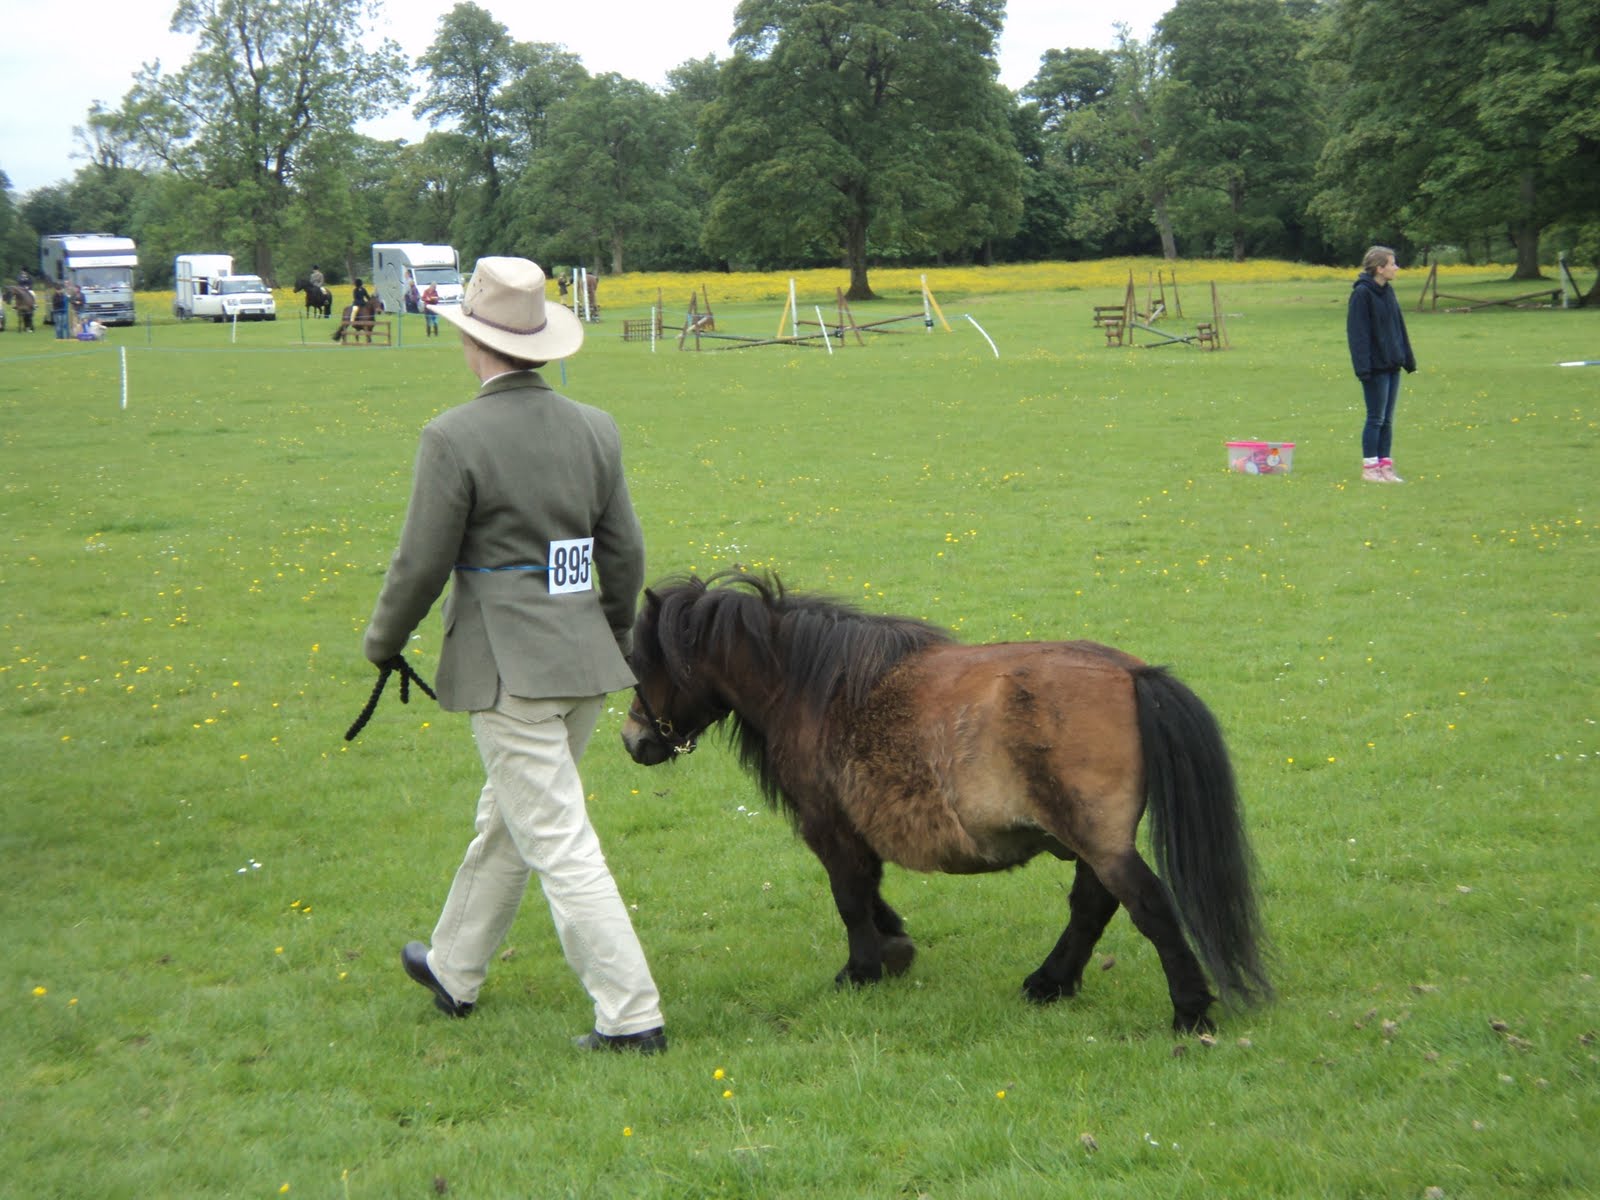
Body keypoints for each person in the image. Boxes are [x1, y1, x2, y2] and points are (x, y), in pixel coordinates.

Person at [363, 256, 666, 1054]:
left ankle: (631, 1016)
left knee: (557, 838)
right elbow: (624, 555)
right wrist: (606, 630)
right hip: (584, 663)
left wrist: (382, 642)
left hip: (511, 671)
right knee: (512, 818)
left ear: (475, 343)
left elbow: (419, 564)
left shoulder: (453, 436)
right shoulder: (595, 426)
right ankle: (455, 969)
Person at [1346, 245, 1416, 483]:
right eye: (1392, 263)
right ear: (1379, 268)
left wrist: (1406, 357)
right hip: (1374, 368)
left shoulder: (1388, 292)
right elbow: (1358, 335)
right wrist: (1363, 368)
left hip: (1392, 364)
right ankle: (1370, 469)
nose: (1396, 267)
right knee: (1375, 418)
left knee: (1387, 419)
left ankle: (1386, 466)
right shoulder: (1362, 294)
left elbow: (1398, 327)